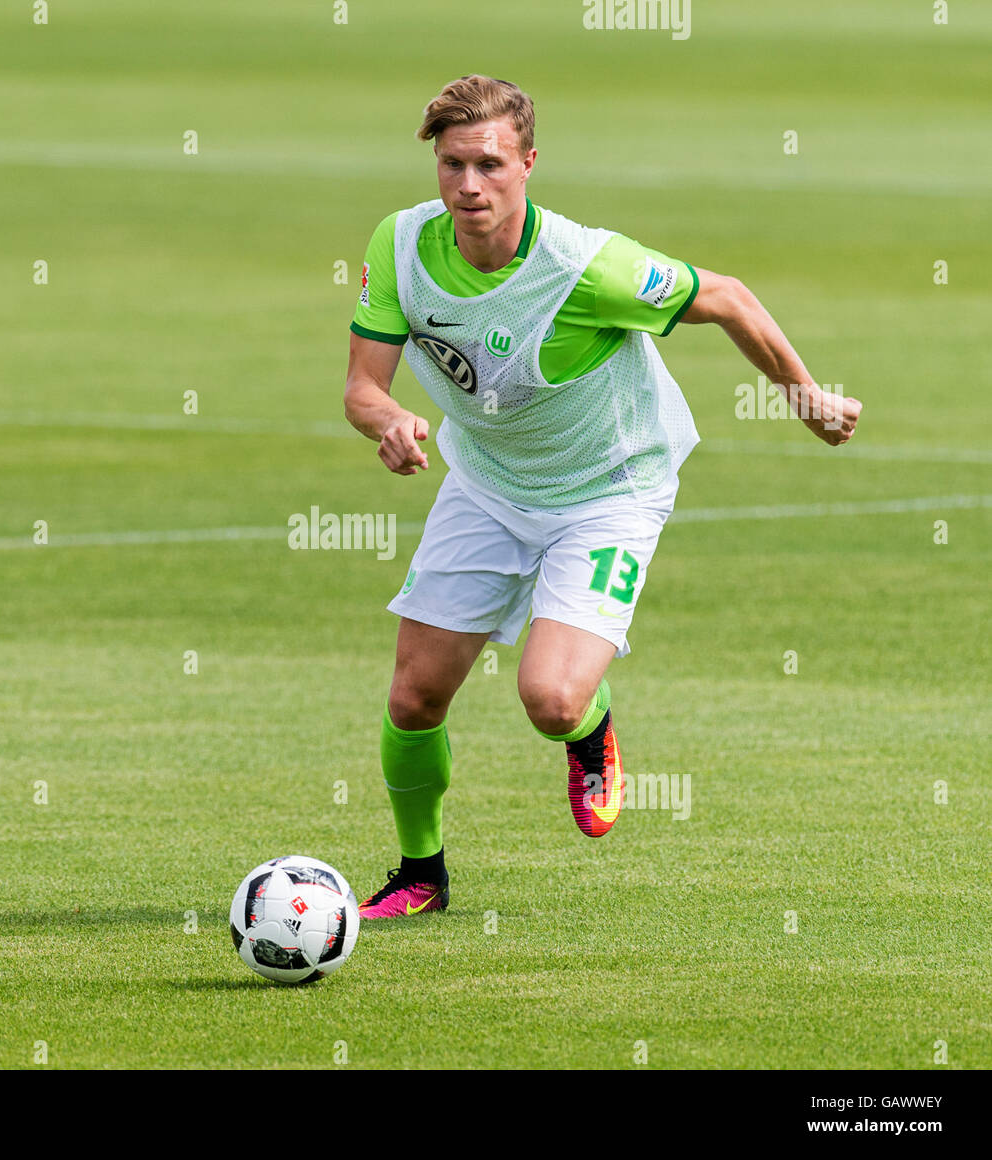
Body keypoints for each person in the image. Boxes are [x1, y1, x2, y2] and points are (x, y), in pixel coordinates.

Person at [342, 75, 861, 919]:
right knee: (413, 696)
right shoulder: (401, 246)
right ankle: (420, 877)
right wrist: (390, 421)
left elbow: (726, 296)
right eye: (451, 165)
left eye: (489, 164)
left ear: (529, 164)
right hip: (486, 484)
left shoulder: (586, 268)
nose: (469, 185)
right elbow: (362, 388)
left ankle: (589, 729)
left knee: (549, 701)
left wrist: (806, 396)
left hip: (607, 493)